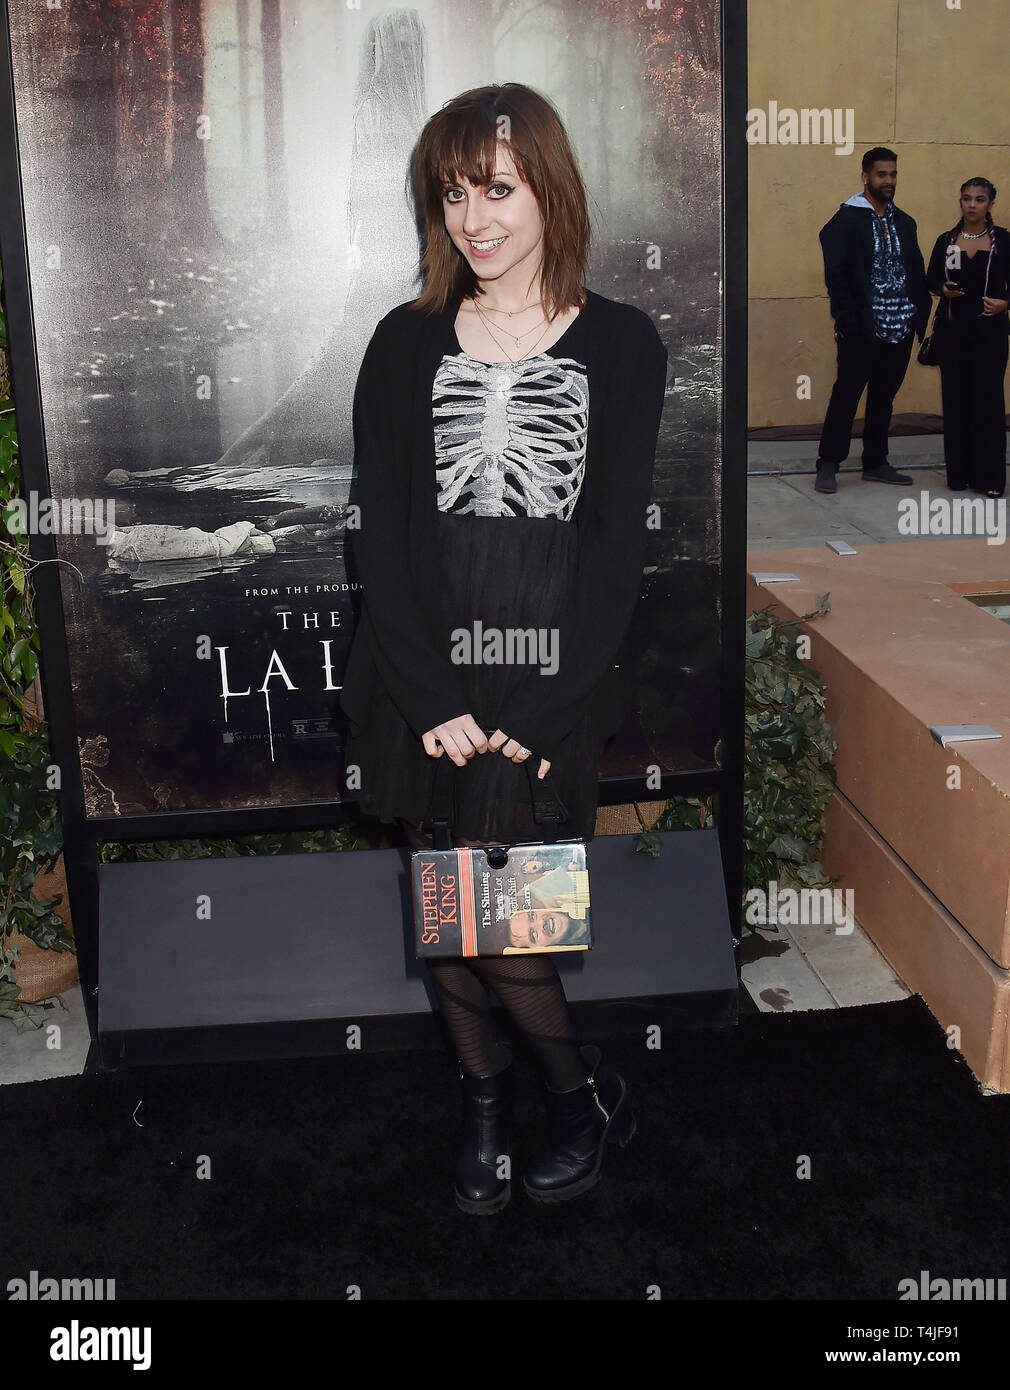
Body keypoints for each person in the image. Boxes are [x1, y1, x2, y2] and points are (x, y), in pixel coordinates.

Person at [339, 83, 667, 1214]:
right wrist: (425, 692)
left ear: (547, 189)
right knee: (447, 920)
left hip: (545, 677)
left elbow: (617, 550)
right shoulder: (402, 339)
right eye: (453, 192)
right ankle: (484, 1100)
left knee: (508, 932)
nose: (474, 217)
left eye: (498, 187)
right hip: (421, 673)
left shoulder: (622, 343)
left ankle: (573, 1096)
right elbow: (378, 532)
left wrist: (543, 710)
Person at [814, 147, 932, 493]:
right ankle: (829, 463)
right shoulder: (847, 221)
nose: (889, 181)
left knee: (884, 396)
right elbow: (836, 278)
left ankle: (876, 462)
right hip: (862, 327)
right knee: (847, 394)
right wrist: (848, 321)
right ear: (865, 176)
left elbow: (916, 271)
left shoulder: (904, 222)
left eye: (893, 174)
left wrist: (916, 315)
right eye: (882, 175)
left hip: (899, 326)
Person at [925, 177, 1010, 499]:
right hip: (953, 333)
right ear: (960, 202)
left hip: (989, 334)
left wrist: (1005, 303)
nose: (972, 205)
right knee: (956, 402)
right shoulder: (947, 240)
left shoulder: (1003, 241)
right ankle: (958, 475)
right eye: (966, 199)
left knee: (987, 403)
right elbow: (931, 278)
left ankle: (989, 478)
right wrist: (941, 289)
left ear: (990, 204)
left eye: (979, 199)